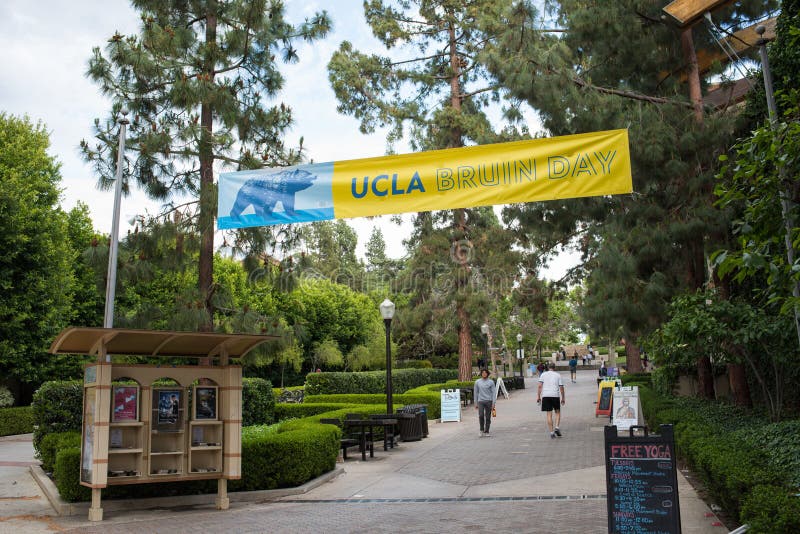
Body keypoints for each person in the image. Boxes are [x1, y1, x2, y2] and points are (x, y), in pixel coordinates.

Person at [537, 361, 565, 439]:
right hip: (555, 395)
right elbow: (561, 388)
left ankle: (551, 432)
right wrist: (563, 398)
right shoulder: (558, 375)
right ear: (554, 368)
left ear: (548, 367)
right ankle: (557, 427)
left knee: (549, 414)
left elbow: (539, 386)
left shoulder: (543, 374)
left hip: (546, 396)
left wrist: (538, 396)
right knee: (557, 412)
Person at [473, 368, 496, 437]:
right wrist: (475, 402)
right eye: (482, 373)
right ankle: (481, 430)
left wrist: (493, 403)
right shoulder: (477, 382)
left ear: (487, 374)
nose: (484, 374)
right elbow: (476, 393)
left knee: (488, 417)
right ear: (481, 374)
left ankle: (487, 431)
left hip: (489, 401)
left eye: (485, 373)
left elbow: (494, 393)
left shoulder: (491, 382)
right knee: (481, 415)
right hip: (480, 401)